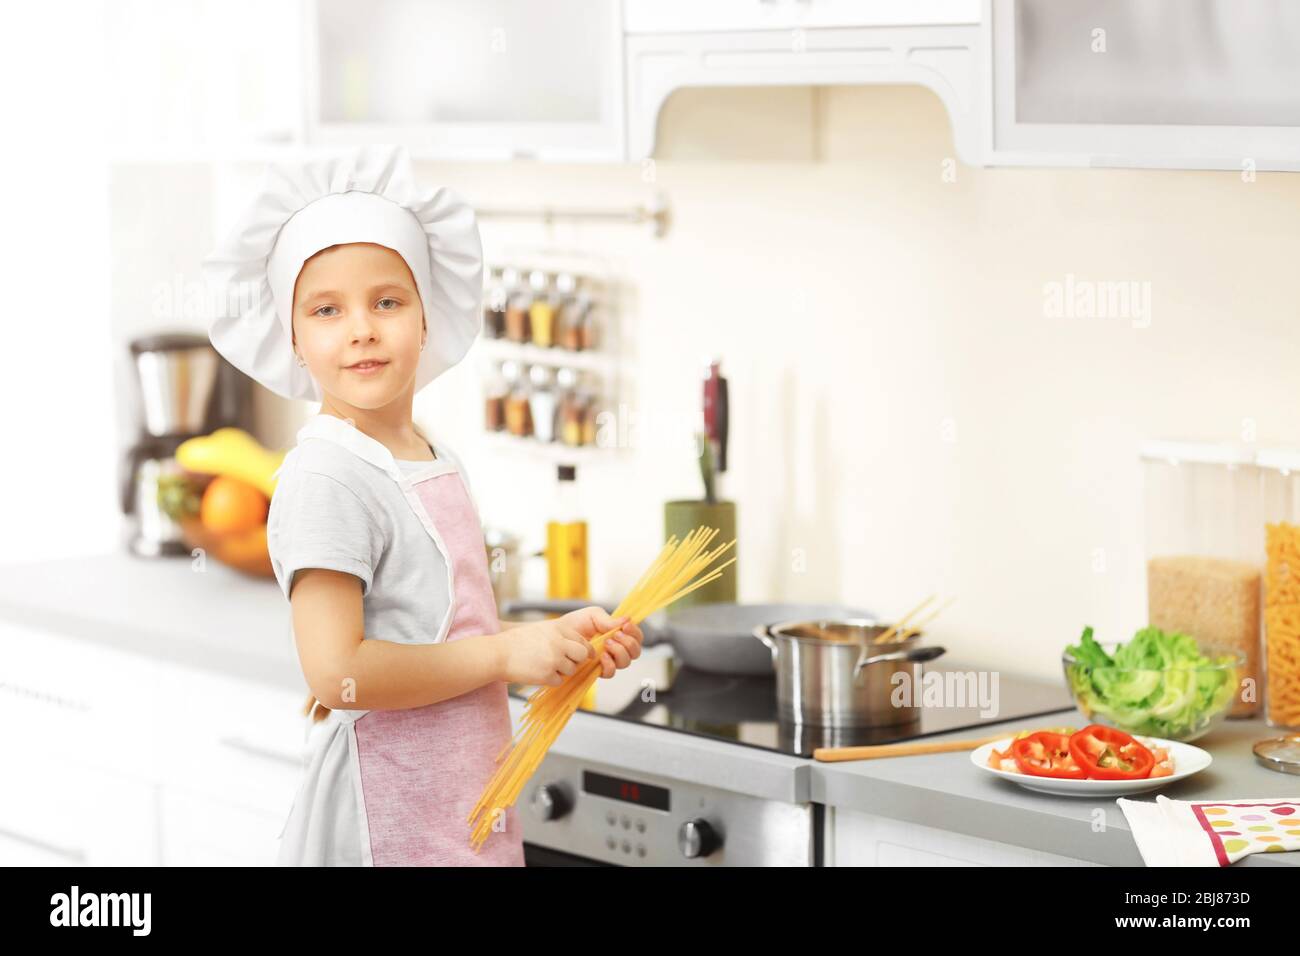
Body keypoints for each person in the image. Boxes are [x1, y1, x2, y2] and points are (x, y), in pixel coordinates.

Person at [203, 144, 643, 866]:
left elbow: (444, 632)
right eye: (326, 309)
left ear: (427, 314)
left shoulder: (427, 454)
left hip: (462, 806)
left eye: (387, 301)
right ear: (293, 336)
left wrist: (556, 646)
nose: (362, 328)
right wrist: (504, 653)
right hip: (387, 825)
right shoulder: (326, 475)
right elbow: (335, 672)